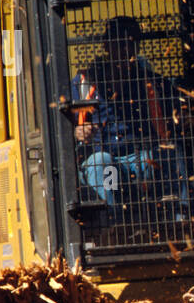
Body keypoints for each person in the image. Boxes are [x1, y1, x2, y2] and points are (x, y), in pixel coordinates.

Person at [73, 15, 186, 212]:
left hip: (144, 159)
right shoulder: (84, 83)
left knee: (172, 153)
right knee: (102, 163)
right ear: (106, 46)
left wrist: (183, 119)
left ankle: (185, 218)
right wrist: (78, 132)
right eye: (119, 44)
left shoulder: (153, 82)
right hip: (109, 162)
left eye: (130, 44)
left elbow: (177, 115)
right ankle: (115, 223)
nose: (125, 50)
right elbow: (63, 128)